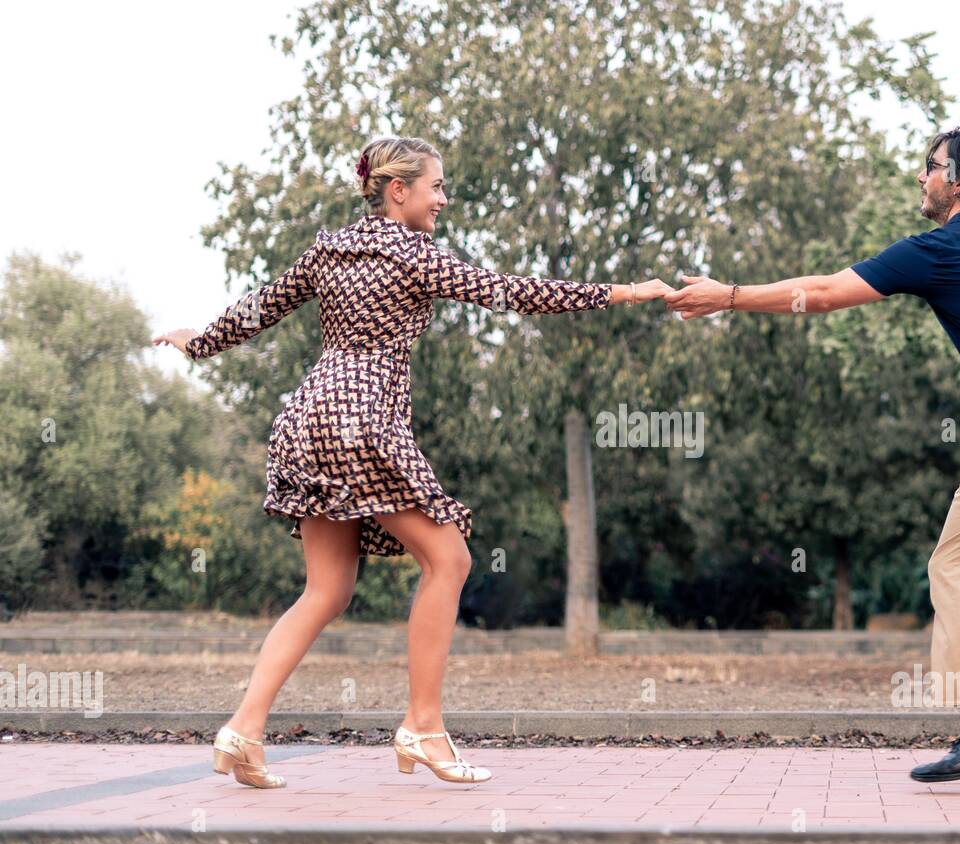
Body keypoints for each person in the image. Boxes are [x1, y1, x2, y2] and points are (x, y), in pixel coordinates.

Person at [154, 135, 673, 789]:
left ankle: (243, 729)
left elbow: (261, 306)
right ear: (398, 190)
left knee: (326, 589)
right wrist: (618, 294)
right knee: (449, 558)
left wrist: (198, 342)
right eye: (437, 187)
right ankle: (423, 727)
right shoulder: (415, 255)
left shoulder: (327, 248)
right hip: (364, 420)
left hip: (309, 416)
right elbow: (507, 291)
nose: (444, 200)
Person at [666, 127, 960, 788]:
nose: (920, 178)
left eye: (930, 167)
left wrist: (727, 295)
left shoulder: (941, 249)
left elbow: (828, 293)